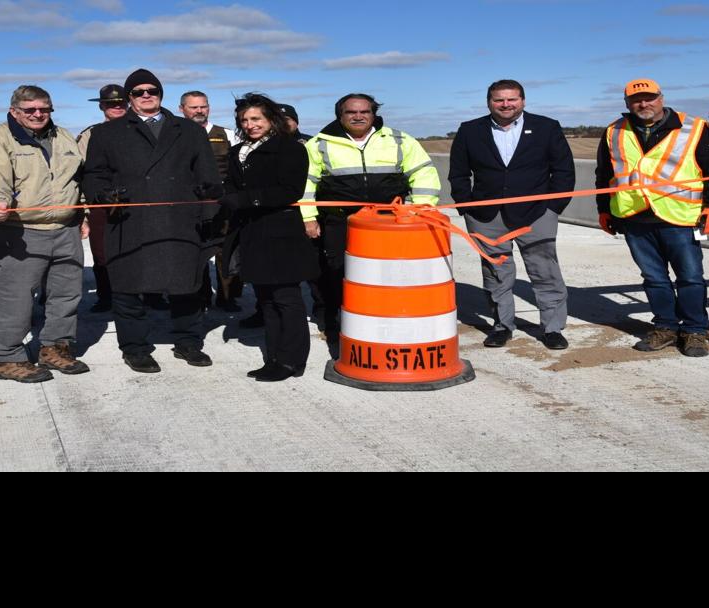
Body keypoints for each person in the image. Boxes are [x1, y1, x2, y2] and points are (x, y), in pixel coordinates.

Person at [82, 69, 223, 373]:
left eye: (152, 90)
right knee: (128, 287)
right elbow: (93, 175)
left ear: (161, 93)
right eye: (138, 91)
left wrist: (208, 211)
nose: (146, 95)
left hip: (180, 221)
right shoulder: (107, 133)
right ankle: (135, 347)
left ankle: (188, 342)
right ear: (130, 97)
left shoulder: (189, 130)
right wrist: (104, 195)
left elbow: (208, 175)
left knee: (187, 285)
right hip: (130, 220)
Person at [596, 78, 709, 358]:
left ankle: (694, 330)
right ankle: (665, 327)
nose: (643, 104)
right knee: (654, 278)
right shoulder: (614, 131)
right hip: (634, 216)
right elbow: (603, 174)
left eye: (649, 98)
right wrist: (604, 209)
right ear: (627, 103)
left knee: (690, 277)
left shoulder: (693, 128)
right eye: (636, 100)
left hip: (678, 216)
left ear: (661, 97)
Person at [300, 93, 441, 352]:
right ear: (339, 116)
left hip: (389, 224)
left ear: (373, 114)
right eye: (351, 112)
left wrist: (422, 208)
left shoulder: (399, 139)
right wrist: (308, 218)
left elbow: (423, 171)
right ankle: (336, 326)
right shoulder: (319, 143)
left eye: (364, 111)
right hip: (341, 222)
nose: (358, 116)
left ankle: (385, 321)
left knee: (388, 274)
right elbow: (306, 182)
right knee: (337, 273)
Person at [448, 79, 575, 350]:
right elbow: (459, 173)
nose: (506, 104)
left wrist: (553, 209)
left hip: (537, 214)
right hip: (486, 216)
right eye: (499, 100)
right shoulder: (470, 130)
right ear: (489, 102)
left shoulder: (546, 127)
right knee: (496, 272)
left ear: (523, 101)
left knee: (545, 271)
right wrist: (467, 208)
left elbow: (563, 171)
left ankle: (552, 328)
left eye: (512, 99)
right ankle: (502, 326)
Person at [0, 84, 89, 383]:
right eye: (30, 110)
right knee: (14, 298)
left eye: (44, 109)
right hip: (20, 230)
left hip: (65, 228)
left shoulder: (64, 136)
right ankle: (7, 358)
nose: (38, 114)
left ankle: (55, 348)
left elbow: (78, 181)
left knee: (66, 294)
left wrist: (84, 215)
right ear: (15, 111)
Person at [224, 94, 320, 382]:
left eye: (256, 119)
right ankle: (275, 356)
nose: (250, 124)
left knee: (286, 297)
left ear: (270, 120)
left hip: (280, 233)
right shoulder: (238, 151)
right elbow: (231, 183)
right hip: (251, 232)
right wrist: (224, 196)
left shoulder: (289, 149)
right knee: (265, 297)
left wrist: (245, 200)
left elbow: (290, 190)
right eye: (244, 119)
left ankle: (292, 360)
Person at [181, 90, 242, 313]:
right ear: (182, 109)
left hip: (222, 203)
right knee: (195, 251)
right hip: (189, 204)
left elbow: (237, 168)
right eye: (193, 107)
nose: (199, 111)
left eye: (203, 106)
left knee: (226, 251)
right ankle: (200, 296)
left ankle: (228, 297)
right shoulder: (176, 134)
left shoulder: (226, 134)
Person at [78, 83, 129, 313]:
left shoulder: (139, 130)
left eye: (120, 103)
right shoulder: (89, 134)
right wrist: (84, 208)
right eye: (111, 104)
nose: (117, 107)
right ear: (102, 106)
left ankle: (151, 295)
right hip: (100, 202)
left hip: (134, 201)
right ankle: (106, 295)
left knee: (141, 249)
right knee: (101, 252)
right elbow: (80, 171)